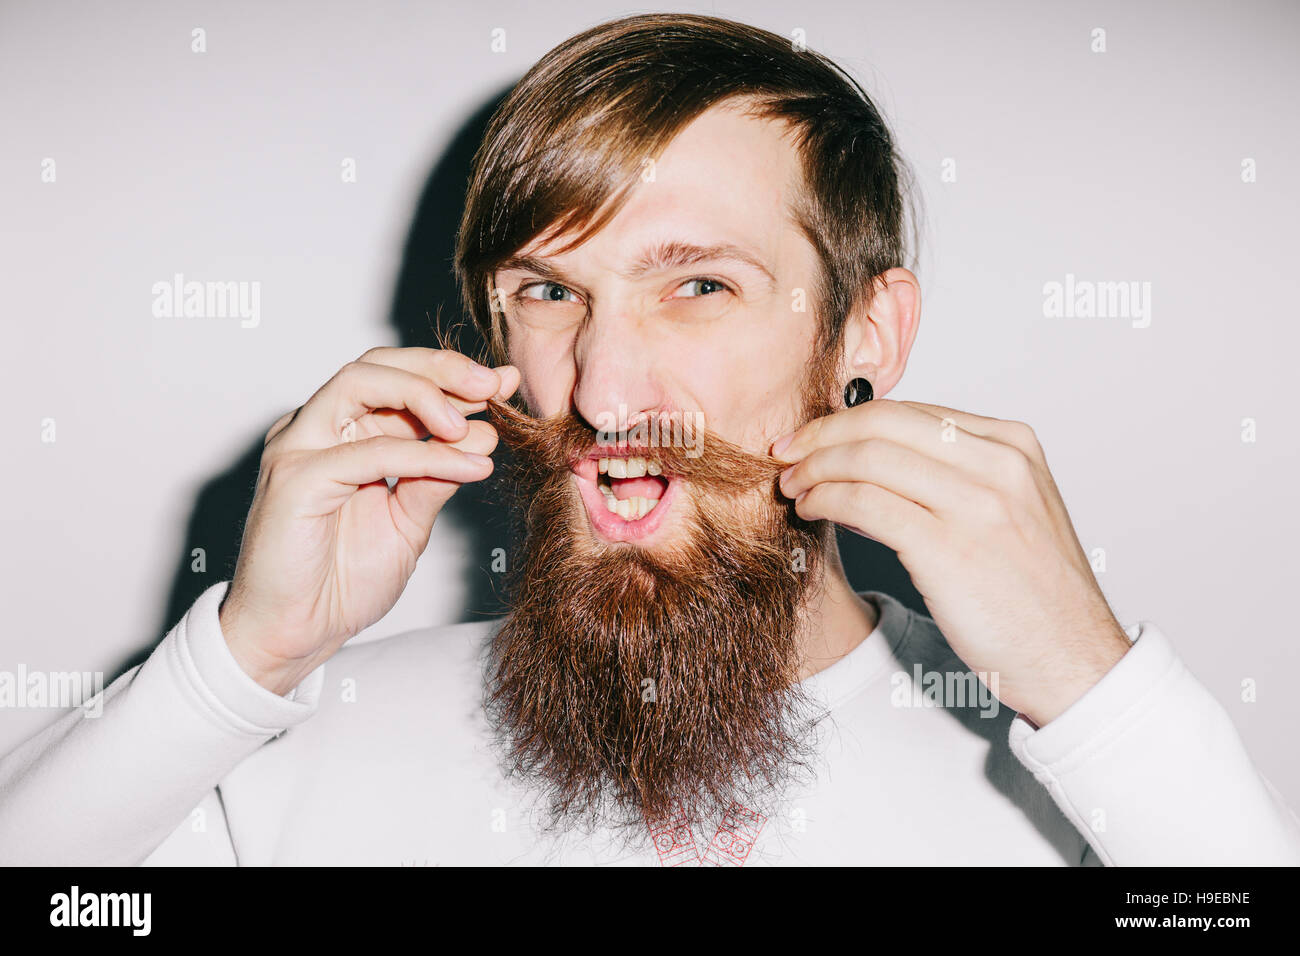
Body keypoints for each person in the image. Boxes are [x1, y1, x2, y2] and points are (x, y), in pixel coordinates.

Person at [2, 13, 1297, 866]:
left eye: (700, 284)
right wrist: (246, 657)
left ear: (867, 334)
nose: (608, 395)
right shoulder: (303, 739)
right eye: (553, 292)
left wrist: (1095, 689)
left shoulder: (1078, 778)